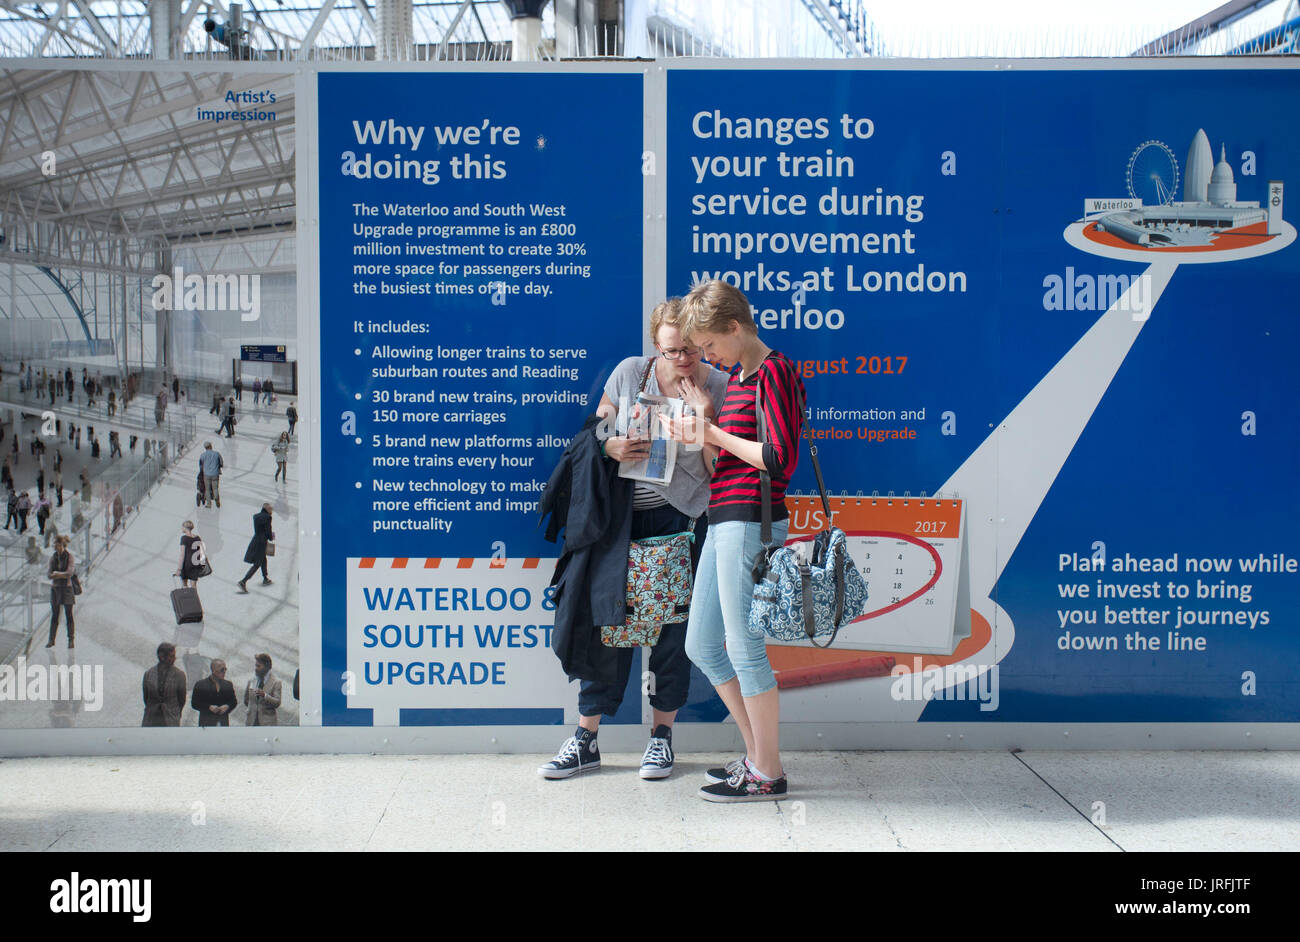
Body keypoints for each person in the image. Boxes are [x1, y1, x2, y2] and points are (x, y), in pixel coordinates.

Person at [538, 298, 728, 782]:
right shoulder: (629, 374)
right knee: (607, 619)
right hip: (619, 521)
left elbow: (720, 474)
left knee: (671, 630)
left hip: (683, 520)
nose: (683, 360)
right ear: (654, 347)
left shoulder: (722, 388)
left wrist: (705, 423)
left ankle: (661, 738)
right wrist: (610, 444)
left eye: (691, 350)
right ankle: (586, 739)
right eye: (671, 351)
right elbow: (595, 426)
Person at [659, 279, 806, 802]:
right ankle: (759, 759)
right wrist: (705, 428)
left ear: (735, 327)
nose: (705, 356)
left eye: (709, 345)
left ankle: (768, 772)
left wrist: (712, 434)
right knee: (702, 644)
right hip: (723, 518)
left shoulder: (774, 371)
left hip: (751, 519)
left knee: (745, 648)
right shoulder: (741, 376)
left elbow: (779, 458)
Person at [142, 642, 186, 727]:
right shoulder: (148, 674)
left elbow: (182, 699)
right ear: (162, 657)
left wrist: (175, 713)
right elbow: (146, 697)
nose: (175, 658)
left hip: (171, 718)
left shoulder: (179, 675)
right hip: (151, 718)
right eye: (172, 656)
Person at [46, 534, 76, 648]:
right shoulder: (53, 558)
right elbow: (49, 575)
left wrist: (57, 574)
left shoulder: (70, 557)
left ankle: (71, 640)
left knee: (69, 615)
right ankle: (51, 640)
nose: (55, 546)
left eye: (56, 544)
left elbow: (69, 573)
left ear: (61, 545)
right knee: (55, 615)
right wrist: (60, 575)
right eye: (54, 544)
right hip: (56, 589)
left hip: (67, 589)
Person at [237, 503, 274, 592]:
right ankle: (243, 581)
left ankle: (265, 578)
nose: (271, 510)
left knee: (263, 560)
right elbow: (268, 531)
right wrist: (271, 537)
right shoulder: (267, 517)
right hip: (262, 542)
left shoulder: (256, 516)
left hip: (256, 540)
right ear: (266, 509)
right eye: (270, 509)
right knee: (257, 563)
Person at [191, 660, 237, 728]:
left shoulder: (228, 684)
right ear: (213, 670)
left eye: (225, 669)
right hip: (206, 723)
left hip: (223, 722)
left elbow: (233, 701)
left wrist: (227, 706)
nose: (224, 672)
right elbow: (194, 703)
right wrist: (209, 707)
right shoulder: (200, 684)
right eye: (222, 669)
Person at [244, 653, 282, 726]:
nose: (256, 668)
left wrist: (264, 695)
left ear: (267, 667)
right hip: (251, 721)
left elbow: (277, 703)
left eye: (258, 666)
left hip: (267, 723)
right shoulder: (252, 680)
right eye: (255, 665)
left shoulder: (276, 682)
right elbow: (246, 700)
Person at [176, 520, 209, 587]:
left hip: (186, 565)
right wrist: (202, 564)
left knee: (185, 585)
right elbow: (202, 552)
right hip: (195, 564)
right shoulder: (197, 538)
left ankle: (186, 597)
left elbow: (182, 555)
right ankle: (195, 597)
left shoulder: (184, 538)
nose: (182, 529)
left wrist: (179, 569)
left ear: (185, 528)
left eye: (182, 527)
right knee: (194, 587)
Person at [199, 442, 222, 508]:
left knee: (207, 489)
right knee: (215, 488)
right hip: (215, 474)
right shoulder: (217, 454)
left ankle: (209, 504)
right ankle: (217, 498)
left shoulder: (202, 455)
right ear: (211, 446)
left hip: (206, 474)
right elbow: (221, 463)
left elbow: (200, 464)